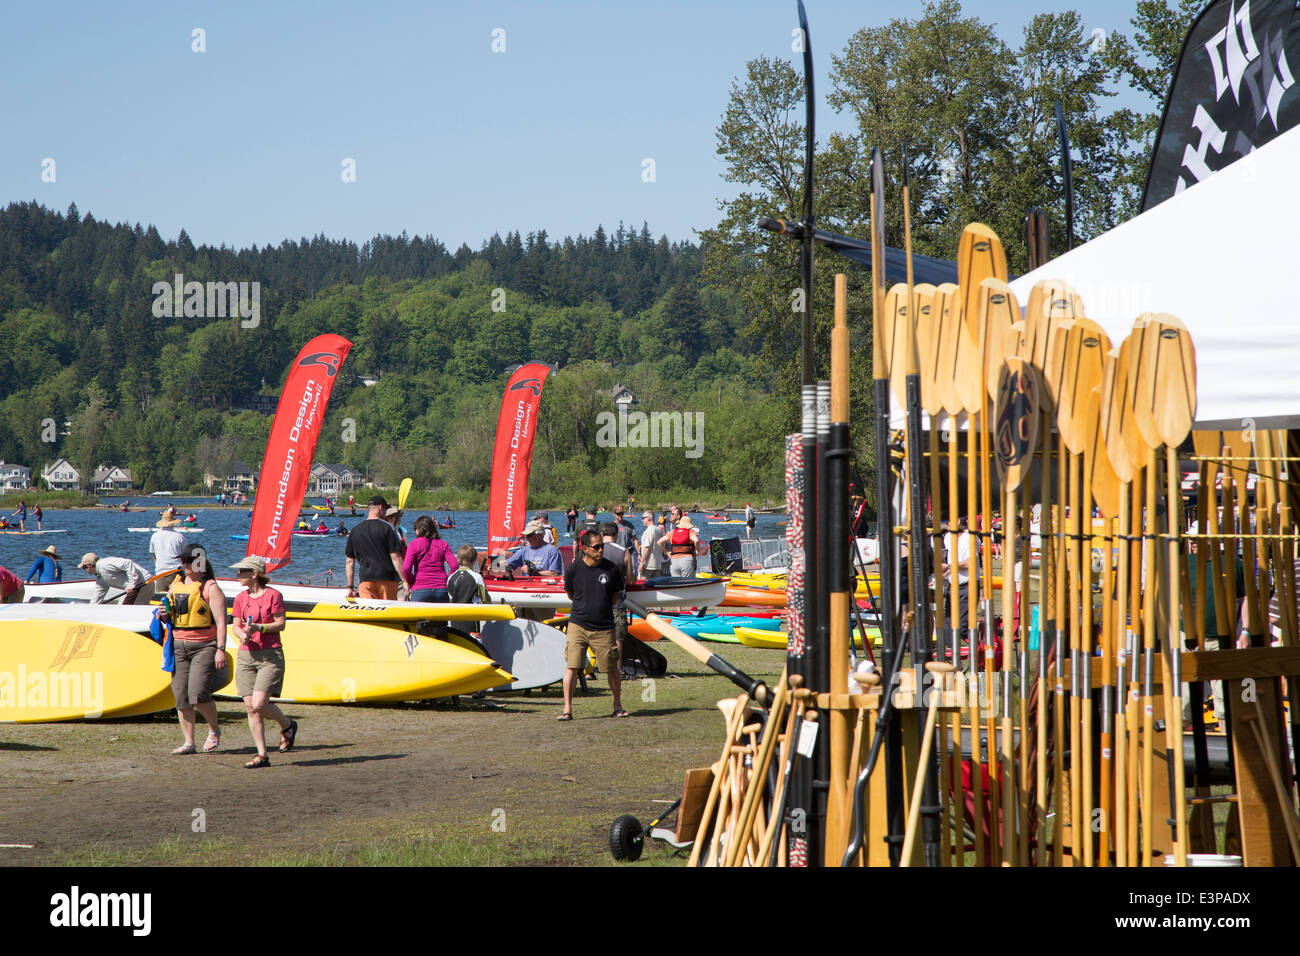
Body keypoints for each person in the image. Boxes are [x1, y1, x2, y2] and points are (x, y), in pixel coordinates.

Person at [158, 543, 228, 755]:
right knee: (181, 696)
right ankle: (189, 742)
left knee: (198, 693)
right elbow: (168, 616)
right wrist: (163, 613)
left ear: (199, 561)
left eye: (189, 560)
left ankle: (214, 730)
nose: (184, 564)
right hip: (178, 646)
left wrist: (220, 649)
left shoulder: (210, 587)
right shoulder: (176, 584)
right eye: (182, 560)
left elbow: (222, 622)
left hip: (204, 647)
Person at [228, 556, 296, 768]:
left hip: (270, 655)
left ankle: (287, 725)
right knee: (250, 706)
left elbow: (281, 624)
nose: (238, 575)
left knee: (258, 704)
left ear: (254, 574)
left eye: (242, 572)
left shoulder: (274, 595)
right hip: (246, 655)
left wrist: (260, 628)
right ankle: (262, 754)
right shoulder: (240, 598)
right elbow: (236, 624)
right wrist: (242, 635)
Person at [558, 529, 628, 720]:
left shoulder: (611, 569)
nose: (600, 550)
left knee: (611, 667)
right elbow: (571, 595)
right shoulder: (573, 569)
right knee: (572, 666)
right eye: (596, 547)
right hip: (577, 625)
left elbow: (614, 598)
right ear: (585, 549)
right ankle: (567, 709)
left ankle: (617, 705)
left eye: (602, 546)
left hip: (604, 627)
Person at [345, 496, 407, 600]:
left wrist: (350, 587)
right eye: (385, 510)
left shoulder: (355, 531)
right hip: (387, 580)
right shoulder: (388, 528)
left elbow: (349, 562)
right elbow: (396, 557)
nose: (385, 513)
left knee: (370, 613)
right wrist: (405, 581)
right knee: (387, 613)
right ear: (381, 507)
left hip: (365, 580)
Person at [403, 515, 456, 603]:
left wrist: (411, 582)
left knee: (418, 616)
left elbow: (406, 568)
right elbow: (454, 566)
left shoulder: (414, 544)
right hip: (441, 589)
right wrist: (447, 581)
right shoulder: (443, 544)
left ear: (418, 530)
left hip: (420, 588)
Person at [80, 552, 151, 604]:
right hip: (137, 587)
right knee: (122, 608)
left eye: (84, 567)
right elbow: (97, 597)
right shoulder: (100, 579)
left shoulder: (105, 564)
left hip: (144, 582)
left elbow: (128, 563)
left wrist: (131, 585)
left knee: (122, 609)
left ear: (88, 566)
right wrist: (90, 609)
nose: (85, 570)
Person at [447, 545, 489, 633]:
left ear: (458, 559)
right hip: (471, 622)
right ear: (474, 560)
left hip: (454, 622)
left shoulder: (451, 577)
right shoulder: (477, 577)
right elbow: (485, 599)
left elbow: (450, 599)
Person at [148, 515, 188, 593]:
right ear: (173, 523)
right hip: (175, 572)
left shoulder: (154, 536)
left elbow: (154, 556)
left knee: (161, 600)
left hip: (160, 573)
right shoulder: (179, 536)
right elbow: (187, 555)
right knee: (178, 599)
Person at [659, 512, 700, 578]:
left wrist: (667, 552)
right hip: (686, 560)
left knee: (677, 583)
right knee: (687, 583)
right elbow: (696, 540)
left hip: (674, 561)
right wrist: (697, 550)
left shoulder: (672, 532)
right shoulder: (690, 532)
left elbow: (659, 542)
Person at [639, 510, 666, 578]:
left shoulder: (649, 530)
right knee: (656, 588)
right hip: (658, 565)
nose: (642, 520)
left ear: (648, 518)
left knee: (643, 586)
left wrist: (641, 563)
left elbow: (647, 548)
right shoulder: (659, 530)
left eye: (643, 518)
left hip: (648, 566)